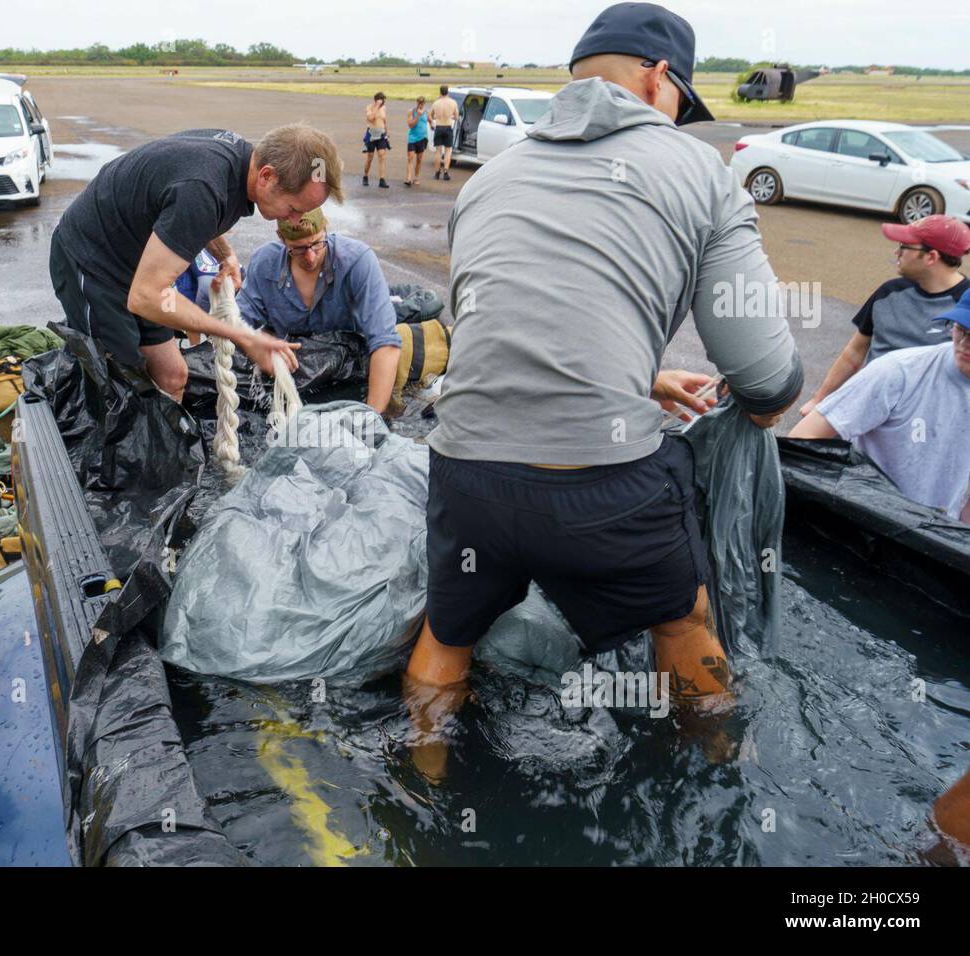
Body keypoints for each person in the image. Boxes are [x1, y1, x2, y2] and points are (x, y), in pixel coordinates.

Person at [404, 4, 802, 710]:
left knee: (447, 633)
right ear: (657, 78)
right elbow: (765, 374)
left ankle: (422, 785)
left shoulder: (490, 178)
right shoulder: (701, 174)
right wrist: (766, 407)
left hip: (466, 477)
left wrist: (638, 377)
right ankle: (710, 762)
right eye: (683, 99)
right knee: (685, 620)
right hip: (604, 488)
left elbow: (497, 332)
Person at [49, 125, 344, 402]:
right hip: (92, 265)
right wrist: (246, 337)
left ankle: (162, 450)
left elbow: (185, 215)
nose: (295, 220)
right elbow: (147, 297)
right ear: (267, 176)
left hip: (140, 265)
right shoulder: (203, 188)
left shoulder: (239, 163)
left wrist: (225, 255)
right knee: (121, 391)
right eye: (294, 209)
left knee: (172, 375)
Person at [790, 288, 970, 524]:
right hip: (865, 524)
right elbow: (801, 439)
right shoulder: (898, 372)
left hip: (935, 535)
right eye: (960, 330)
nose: (964, 343)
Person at [799, 215, 970, 417]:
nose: (897, 252)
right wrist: (819, 400)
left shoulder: (964, 307)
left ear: (931, 257)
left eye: (904, 246)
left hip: (928, 420)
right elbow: (855, 351)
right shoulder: (888, 293)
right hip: (869, 408)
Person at [237, 208, 402, 414]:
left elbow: (386, 343)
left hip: (348, 380)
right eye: (298, 249)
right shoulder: (264, 263)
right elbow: (235, 324)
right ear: (282, 239)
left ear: (325, 228)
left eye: (316, 243)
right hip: (290, 378)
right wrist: (260, 343)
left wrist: (372, 417)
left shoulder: (357, 261)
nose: (310, 256)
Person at [429, 86, 459, 180]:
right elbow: (456, 116)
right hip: (447, 126)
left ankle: (437, 172)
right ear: (447, 92)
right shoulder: (453, 102)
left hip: (439, 126)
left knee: (438, 151)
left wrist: (431, 124)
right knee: (448, 150)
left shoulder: (436, 103)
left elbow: (430, 116)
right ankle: (446, 172)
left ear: (440, 92)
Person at [362, 93, 391, 188]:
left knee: (382, 156)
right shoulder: (369, 107)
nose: (383, 103)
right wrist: (377, 106)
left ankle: (382, 179)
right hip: (371, 134)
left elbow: (384, 120)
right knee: (370, 157)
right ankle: (365, 176)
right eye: (382, 101)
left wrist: (387, 132)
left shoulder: (384, 108)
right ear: (377, 100)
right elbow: (370, 118)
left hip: (381, 134)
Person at [405, 96, 430, 187]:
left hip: (422, 139)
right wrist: (418, 116)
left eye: (422, 103)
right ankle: (408, 178)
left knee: (419, 159)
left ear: (424, 104)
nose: (420, 104)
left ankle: (416, 178)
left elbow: (430, 120)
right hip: (412, 138)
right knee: (410, 158)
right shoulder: (411, 112)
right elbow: (411, 125)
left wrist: (432, 125)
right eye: (419, 102)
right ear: (416, 102)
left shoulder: (426, 112)